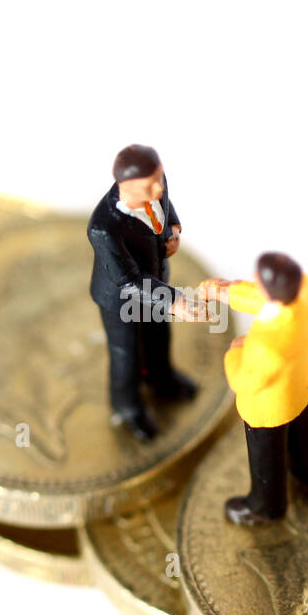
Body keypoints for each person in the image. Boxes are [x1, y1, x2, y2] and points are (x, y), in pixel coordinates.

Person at [200, 254, 308, 524]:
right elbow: (271, 303)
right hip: (301, 386)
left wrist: (235, 351)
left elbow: (243, 381)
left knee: (266, 458)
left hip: (268, 407)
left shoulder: (266, 343)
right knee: (304, 439)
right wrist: (227, 291)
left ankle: (266, 507)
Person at [88, 144, 200, 442]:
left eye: (160, 178)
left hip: (154, 284)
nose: (158, 187)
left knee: (159, 335)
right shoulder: (103, 228)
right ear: (124, 184)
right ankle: (127, 407)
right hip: (120, 299)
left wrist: (173, 230)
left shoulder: (157, 187)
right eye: (149, 183)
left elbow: (166, 208)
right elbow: (127, 280)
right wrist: (174, 299)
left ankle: (162, 379)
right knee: (126, 353)